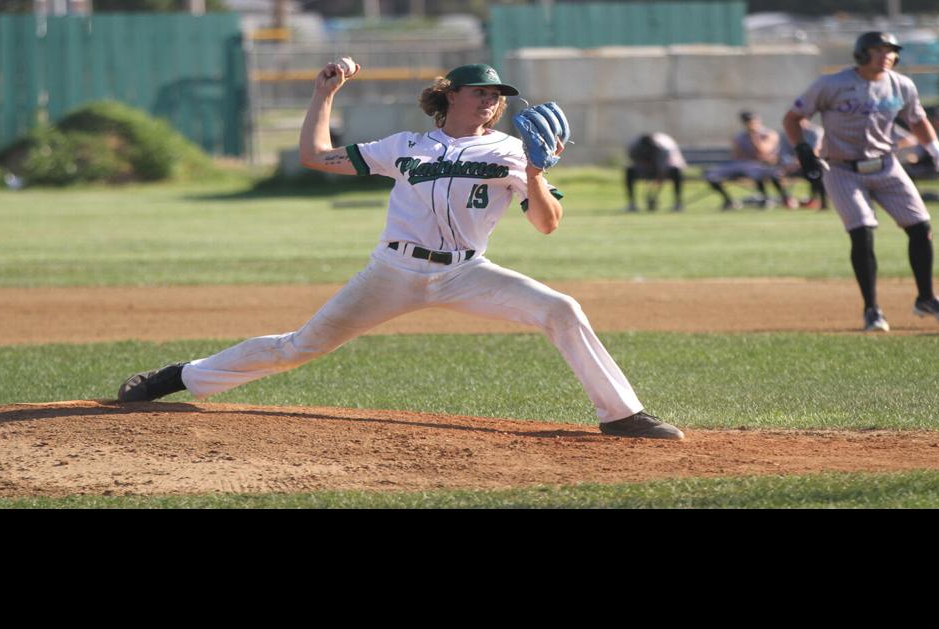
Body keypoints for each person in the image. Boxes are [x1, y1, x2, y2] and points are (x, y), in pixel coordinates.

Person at [115, 61, 684, 440]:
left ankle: (622, 415)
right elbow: (316, 156)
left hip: (466, 273)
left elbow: (547, 225)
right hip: (393, 269)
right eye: (481, 91)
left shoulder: (513, 151)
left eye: (497, 95)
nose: (492, 100)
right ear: (451, 96)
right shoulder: (406, 145)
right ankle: (180, 377)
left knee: (561, 309)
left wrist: (535, 171)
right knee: (299, 346)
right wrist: (324, 92)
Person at [783, 31, 939, 333]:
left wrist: (937, 151)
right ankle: (872, 310)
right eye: (878, 50)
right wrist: (803, 148)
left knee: (921, 227)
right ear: (861, 54)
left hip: (886, 164)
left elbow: (916, 119)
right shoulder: (832, 84)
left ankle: (927, 298)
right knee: (863, 231)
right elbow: (792, 118)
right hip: (842, 168)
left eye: (891, 51)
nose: (886, 56)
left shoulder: (901, 85)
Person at [704, 111, 797, 210]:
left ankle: (771, 199)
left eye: (753, 121)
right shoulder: (740, 136)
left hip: (762, 165)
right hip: (743, 164)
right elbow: (736, 155)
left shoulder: (768, 134)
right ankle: (729, 201)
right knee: (711, 174)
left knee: (758, 173)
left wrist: (754, 137)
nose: (751, 124)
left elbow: (764, 151)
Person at [625, 131, 687, 212]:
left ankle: (678, 203)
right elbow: (635, 162)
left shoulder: (662, 149)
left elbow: (661, 171)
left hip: (660, 169)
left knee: (676, 171)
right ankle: (632, 203)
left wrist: (654, 193)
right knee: (629, 170)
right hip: (644, 169)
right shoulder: (634, 148)